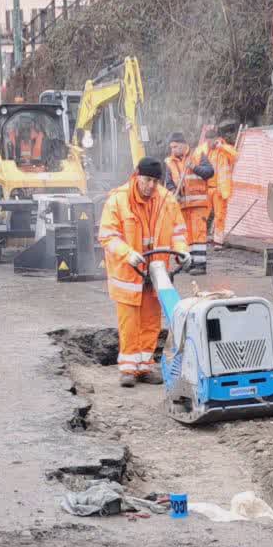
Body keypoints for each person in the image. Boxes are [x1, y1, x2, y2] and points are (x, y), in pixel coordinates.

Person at [98, 158, 189, 387]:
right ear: (137, 176)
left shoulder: (167, 201)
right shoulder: (118, 200)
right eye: (147, 180)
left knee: (151, 323)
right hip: (129, 275)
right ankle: (128, 369)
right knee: (129, 324)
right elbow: (108, 236)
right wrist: (127, 254)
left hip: (156, 272)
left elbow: (178, 231)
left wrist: (181, 251)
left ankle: (145, 367)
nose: (150, 186)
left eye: (155, 181)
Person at [163, 132, 211, 275]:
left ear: (184, 145)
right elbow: (169, 182)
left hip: (198, 204)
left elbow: (209, 172)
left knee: (198, 235)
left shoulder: (198, 155)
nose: (173, 150)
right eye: (171, 147)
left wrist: (193, 167)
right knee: (186, 236)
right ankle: (189, 263)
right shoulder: (169, 162)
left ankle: (200, 265)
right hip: (182, 206)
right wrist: (173, 193)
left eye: (175, 146)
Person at [205, 121, 239, 243]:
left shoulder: (225, 149)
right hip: (207, 188)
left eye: (210, 141)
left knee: (220, 216)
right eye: (207, 142)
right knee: (203, 214)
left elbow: (236, 156)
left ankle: (218, 241)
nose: (209, 144)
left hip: (220, 189)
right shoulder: (206, 151)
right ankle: (201, 237)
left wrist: (222, 147)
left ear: (216, 139)